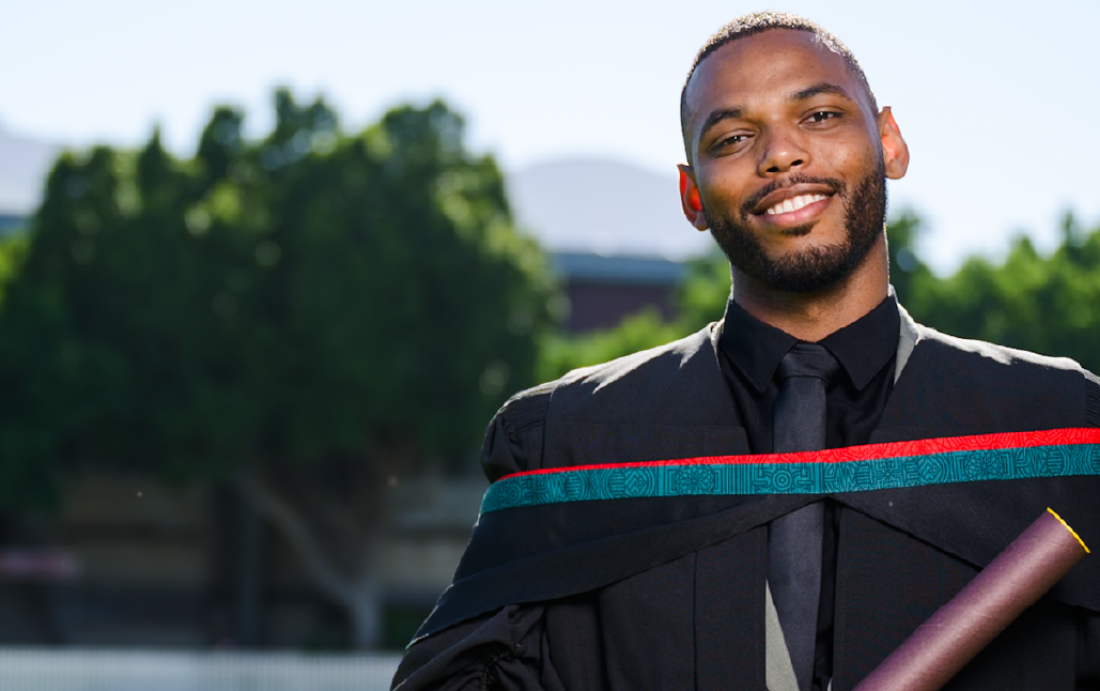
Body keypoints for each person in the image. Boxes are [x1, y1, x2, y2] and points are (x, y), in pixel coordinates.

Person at [393, 12, 1100, 691]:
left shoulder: (1062, 430)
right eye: (732, 138)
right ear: (691, 195)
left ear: (889, 141)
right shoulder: (569, 444)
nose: (781, 155)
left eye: (820, 116)